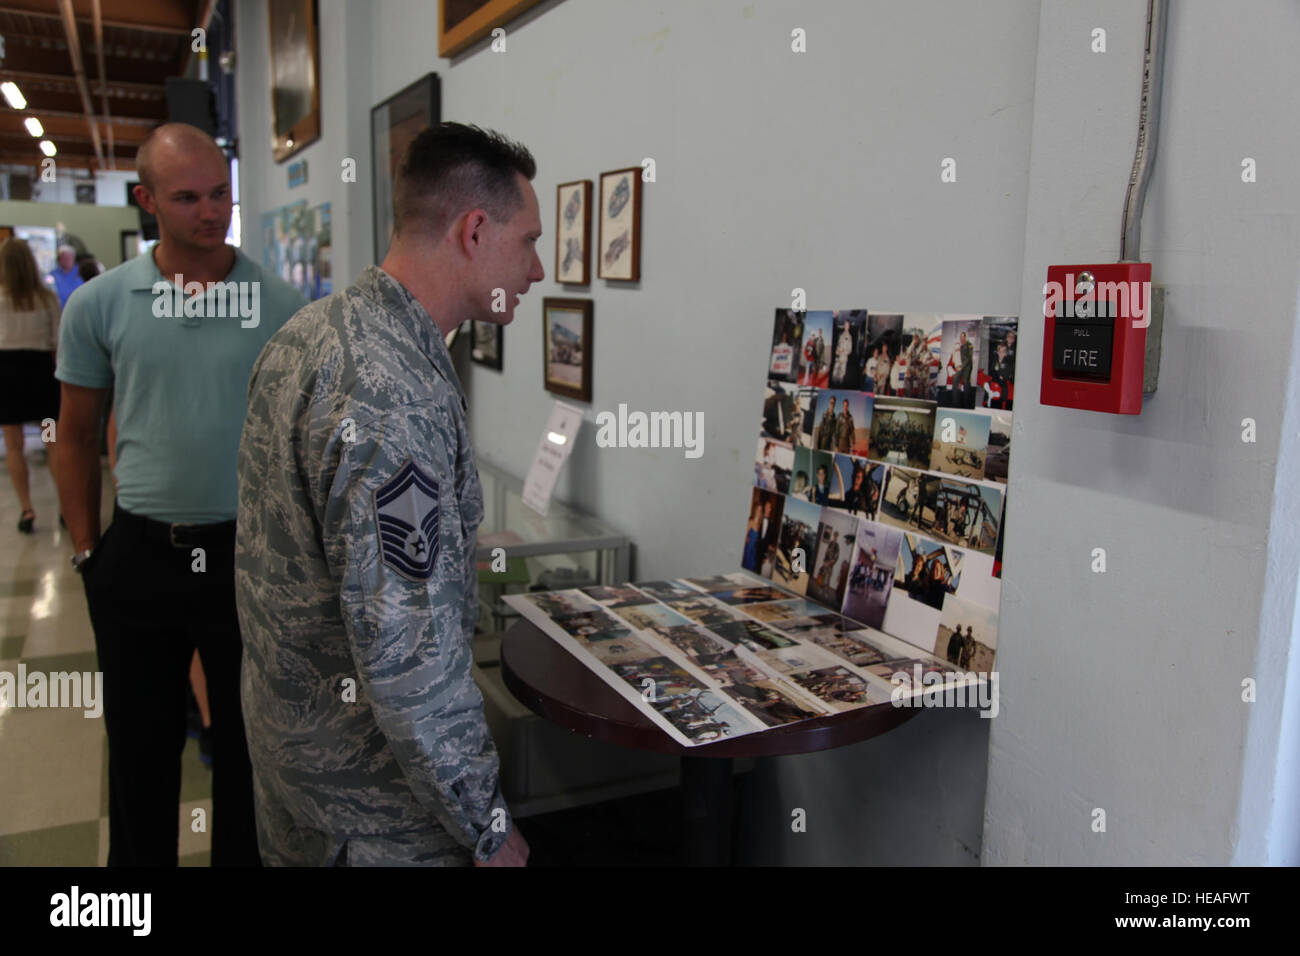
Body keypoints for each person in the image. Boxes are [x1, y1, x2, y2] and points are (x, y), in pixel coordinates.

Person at [235, 123, 542, 867]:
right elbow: (411, 667)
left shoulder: (310, 334)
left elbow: (308, 556)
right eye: (528, 241)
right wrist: (489, 827)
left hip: (295, 774)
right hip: (376, 813)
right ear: (474, 231)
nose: (536, 270)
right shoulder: (392, 396)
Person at [53, 123, 307, 866]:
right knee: (139, 752)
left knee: (248, 749)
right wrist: (86, 553)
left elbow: (301, 439)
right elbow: (72, 435)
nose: (210, 211)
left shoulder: (280, 304)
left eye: (221, 193)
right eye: (188, 197)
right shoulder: (99, 305)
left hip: (243, 558)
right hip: (137, 554)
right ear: (147, 201)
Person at [0, 238, 62, 533]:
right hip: (41, 378)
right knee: (53, 442)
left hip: (7, 377)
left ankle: (26, 510)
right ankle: (66, 506)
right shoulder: (47, 298)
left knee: (14, 446)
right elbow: (57, 345)